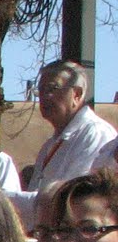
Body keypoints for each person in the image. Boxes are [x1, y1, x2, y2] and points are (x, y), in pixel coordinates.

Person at [6, 60, 115, 228]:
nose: (44, 97)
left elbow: (71, 198)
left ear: (76, 94)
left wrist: (5, 200)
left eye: (51, 89)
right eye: (40, 91)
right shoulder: (49, 145)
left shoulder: (94, 133)